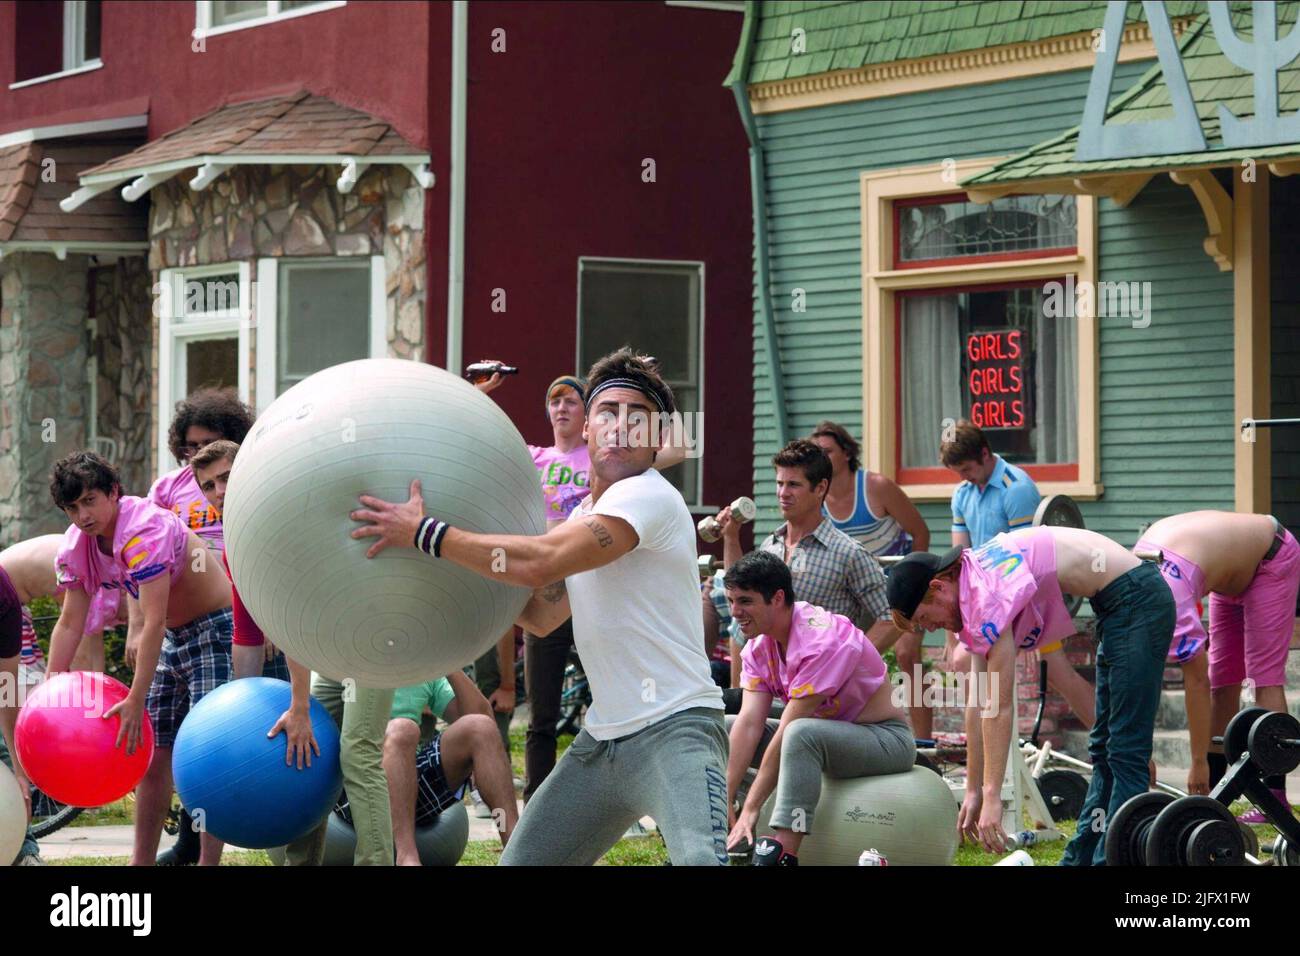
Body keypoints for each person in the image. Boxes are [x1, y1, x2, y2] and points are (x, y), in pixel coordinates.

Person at [351, 347, 729, 865]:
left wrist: (426, 534)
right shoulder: (587, 512)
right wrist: (440, 570)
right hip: (604, 741)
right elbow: (542, 613)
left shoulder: (648, 495)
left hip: (678, 727)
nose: (621, 427)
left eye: (638, 417)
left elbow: (539, 562)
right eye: (608, 412)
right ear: (588, 429)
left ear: (659, 439)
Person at [886, 526, 1174, 866]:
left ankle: (1117, 857)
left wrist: (994, 796)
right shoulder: (973, 586)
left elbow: (999, 706)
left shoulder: (985, 594)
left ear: (938, 587)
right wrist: (975, 789)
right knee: (1103, 747)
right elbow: (977, 703)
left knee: (1125, 751)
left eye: (924, 618)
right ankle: (1081, 858)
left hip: (1137, 598)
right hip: (1117, 605)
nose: (931, 629)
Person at [46, 451, 235, 866]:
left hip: (216, 630)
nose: (83, 515)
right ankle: (141, 862)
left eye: (90, 500)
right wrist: (50, 686)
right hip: (173, 635)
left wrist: (135, 697)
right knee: (152, 753)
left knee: (208, 751)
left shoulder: (143, 529)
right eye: (73, 507)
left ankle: (208, 862)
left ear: (114, 493)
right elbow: (69, 621)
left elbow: (149, 623)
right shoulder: (79, 543)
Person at [724, 551, 913, 866]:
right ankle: (723, 830)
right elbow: (749, 724)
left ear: (777, 598)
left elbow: (788, 731)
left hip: (885, 739)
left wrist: (753, 807)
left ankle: (783, 852)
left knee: (799, 732)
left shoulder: (821, 638)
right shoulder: (759, 645)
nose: (735, 611)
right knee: (726, 727)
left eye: (745, 601)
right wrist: (725, 798)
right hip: (824, 739)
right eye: (731, 600)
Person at [940, 419, 1095, 739]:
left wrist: (999, 621)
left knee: (1058, 673)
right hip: (984, 597)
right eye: (958, 472)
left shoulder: (1017, 488)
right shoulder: (962, 492)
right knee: (968, 669)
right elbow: (960, 560)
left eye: (967, 469)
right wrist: (953, 632)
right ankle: (987, 763)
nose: (964, 477)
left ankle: (1116, 744)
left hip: (1026, 592)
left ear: (985, 453)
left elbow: (1023, 562)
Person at [1136, 511, 1298, 814]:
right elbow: (1136, 681)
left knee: (1262, 677)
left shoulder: (1172, 597)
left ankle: (1275, 794)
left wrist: (1195, 764)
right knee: (1223, 678)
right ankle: (1214, 789)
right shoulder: (1127, 589)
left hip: (1270, 556)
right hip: (1225, 574)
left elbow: (1195, 681)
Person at [0, 535, 124, 866]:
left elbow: (6, 689)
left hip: (16, 608)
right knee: (26, 693)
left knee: (10, 713)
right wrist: (85, 707)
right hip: (17, 594)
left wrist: (18, 769)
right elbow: (81, 645)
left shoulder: (99, 575)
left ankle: (22, 850)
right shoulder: (86, 574)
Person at [719, 439, 898, 650]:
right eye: (780, 483)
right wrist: (730, 537)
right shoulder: (770, 546)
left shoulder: (848, 553)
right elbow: (739, 594)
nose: (783, 493)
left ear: (821, 488)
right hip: (768, 677)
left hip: (821, 678)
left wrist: (849, 662)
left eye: (793, 484)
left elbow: (892, 618)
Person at [383, 670, 518, 863]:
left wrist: (449, 662)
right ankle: (406, 858)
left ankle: (515, 845)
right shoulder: (345, 661)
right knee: (402, 729)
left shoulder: (423, 667)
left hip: (410, 781)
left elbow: (483, 716)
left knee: (481, 727)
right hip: (359, 785)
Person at [811, 420, 929, 555]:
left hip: (893, 572)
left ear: (847, 454)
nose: (821, 458)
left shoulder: (878, 486)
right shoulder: (813, 495)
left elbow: (920, 533)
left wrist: (915, 574)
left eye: (827, 452)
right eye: (816, 453)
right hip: (849, 575)